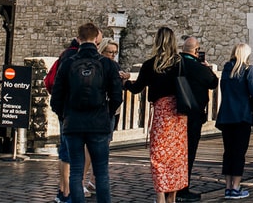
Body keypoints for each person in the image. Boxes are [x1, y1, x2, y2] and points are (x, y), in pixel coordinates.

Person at [50, 22, 124, 203]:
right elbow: (116, 96)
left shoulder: (68, 63)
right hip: (98, 122)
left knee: (76, 171)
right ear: (96, 40)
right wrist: (107, 114)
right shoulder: (107, 64)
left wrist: (64, 115)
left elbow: (56, 98)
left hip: (73, 122)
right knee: (101, 172)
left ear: (79, 38)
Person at [124, 27, 188, 203]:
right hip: (178, 114)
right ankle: (172, 197)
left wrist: (125, 82)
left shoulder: (149, 64)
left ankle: (160, 195)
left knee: (158, 156)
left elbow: (137, 88)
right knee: (176, 156)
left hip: (161, 112)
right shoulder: (180, 62)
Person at [216, 43, 253, 200]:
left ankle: (228, 186)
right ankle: (235, 187)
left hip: (226, 115)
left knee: (228, 151)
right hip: (241, 116)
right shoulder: (248, 70)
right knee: (239, 153)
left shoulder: (227, 69)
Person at [178, 36, 219, 203]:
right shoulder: (199, 68)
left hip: (174, 114)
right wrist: (208, 68)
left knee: (175, 153)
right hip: (193, 115)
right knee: (189, 152)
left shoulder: (175, 64)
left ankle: (170, 186)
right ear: (196, 51)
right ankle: (183, 188)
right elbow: (213, 82)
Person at [48, 36, 81, 203]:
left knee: (65, 151)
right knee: (70, 153)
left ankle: (63, 190)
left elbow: (55, 87)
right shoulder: (73, 58)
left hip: (65, 111)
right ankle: (67, 192)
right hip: (72, 112)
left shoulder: (65, 56)